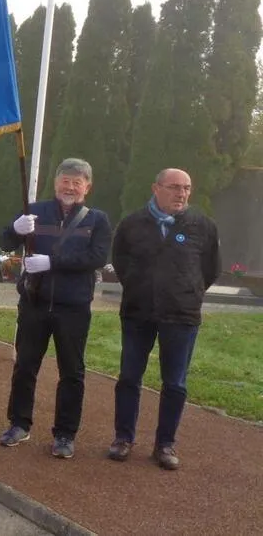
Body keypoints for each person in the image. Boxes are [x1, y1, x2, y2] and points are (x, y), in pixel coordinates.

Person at [0, 158, 112, 459]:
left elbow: (97, 258)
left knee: (72, 372)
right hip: (34, 302)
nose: (70, 187)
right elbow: (6, 242)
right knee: (24, 367)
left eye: (77, 182)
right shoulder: (34, 210)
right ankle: (19, 424)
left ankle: (64, 434)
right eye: (65, 180)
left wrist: (53, 262)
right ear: (56, 182)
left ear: (87, 186)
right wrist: (14, 228)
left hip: (73, 307)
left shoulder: (96, 219)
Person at [107, 168, 219, 470]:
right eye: (174, 187)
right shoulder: (131, 224)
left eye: (187, 188)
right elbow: (120, 261)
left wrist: (189, 291)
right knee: (129, 377)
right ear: (156, 188)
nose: (181, 193)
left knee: (175, 383)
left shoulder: (203, 226)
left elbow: (210, 269)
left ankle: (165, 444)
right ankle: (123, 438)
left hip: (181, 316)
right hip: (138, 313)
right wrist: (138, 285)